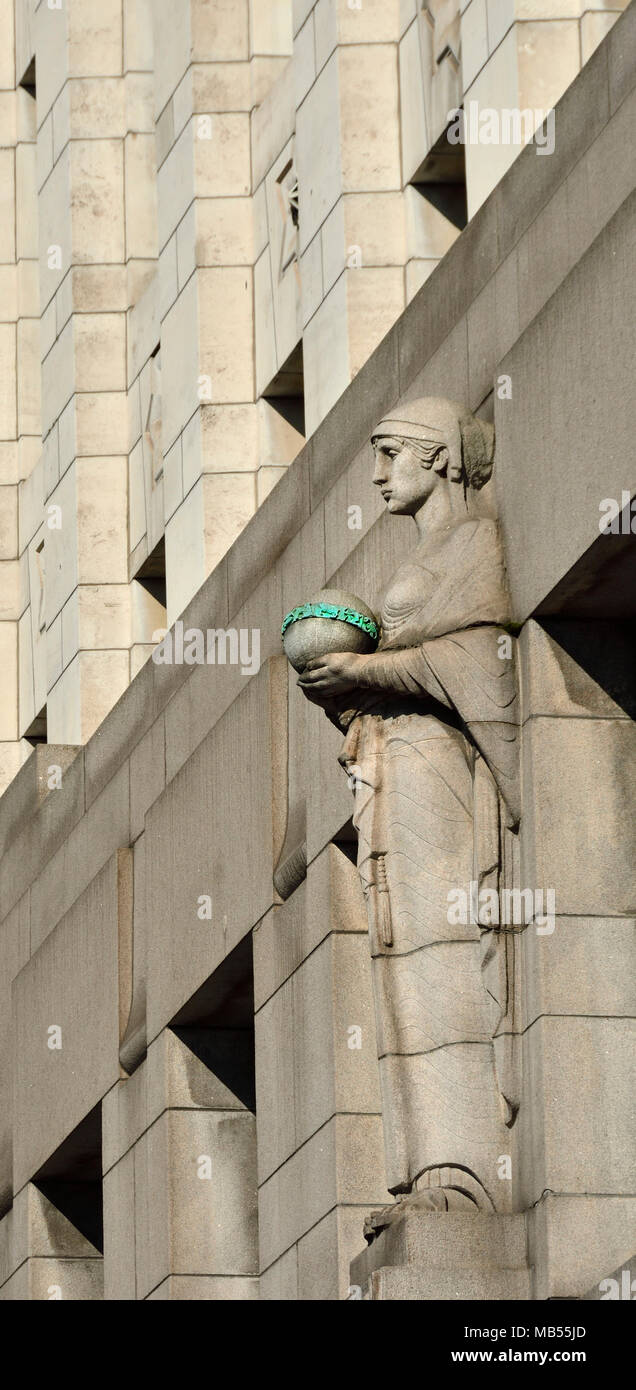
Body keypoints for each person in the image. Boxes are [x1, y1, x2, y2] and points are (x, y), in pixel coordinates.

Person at [298, 398, 522, 1240]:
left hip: (437, 772)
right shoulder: (430, 554)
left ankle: (469, 1177)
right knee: (403, 968)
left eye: (391, 452)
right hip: (392, 777)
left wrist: (367, 667)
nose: (379, 472)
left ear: (438, 456)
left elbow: (475, 658)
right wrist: (350, 683)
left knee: (440, 961)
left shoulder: (471, 544)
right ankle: (430, 1169)